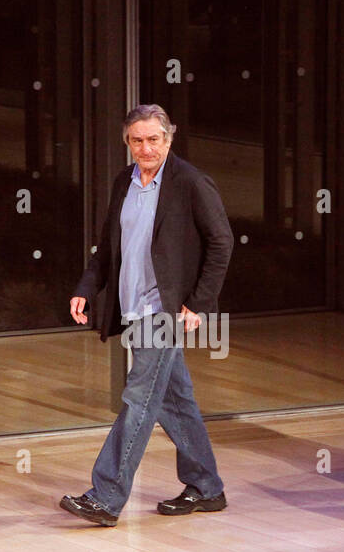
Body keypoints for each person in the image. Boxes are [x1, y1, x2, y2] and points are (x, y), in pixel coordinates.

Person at [60, 104, 234, 526]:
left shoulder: (190, 183)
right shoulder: (125, 182)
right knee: (175, 401)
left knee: (138, 398)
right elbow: (107, 245)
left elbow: (221, 242)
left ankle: (106, 495)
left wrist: (199, 303)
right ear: (128, 143)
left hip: (164, 310)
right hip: (133, 307)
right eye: (137, 140)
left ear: (168, 140)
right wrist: (87, 287)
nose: (145, 147)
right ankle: (206, 486)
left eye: (153, 139)